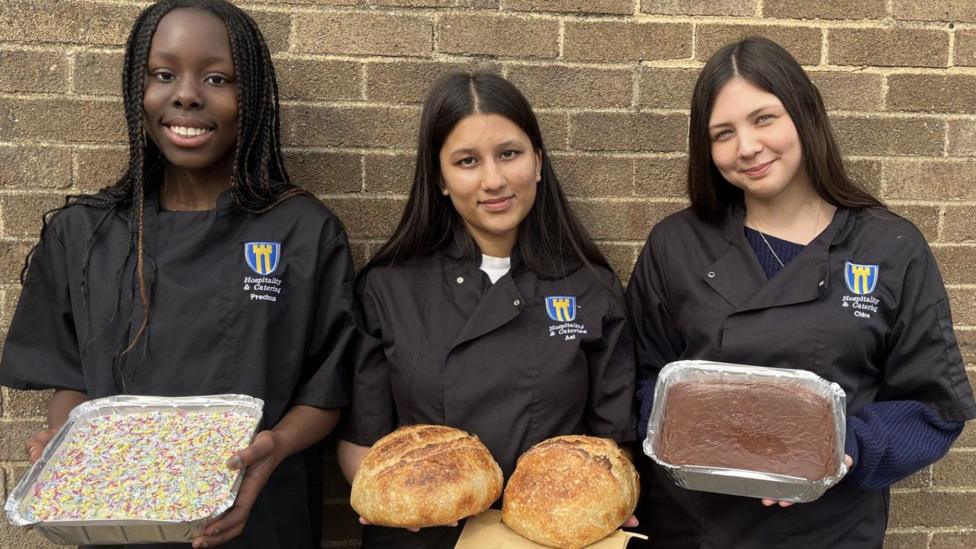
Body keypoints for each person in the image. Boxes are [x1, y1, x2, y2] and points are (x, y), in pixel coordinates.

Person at [0, 1, 357, 548]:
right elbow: (72, 376)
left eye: (217, 78)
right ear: (137, 90)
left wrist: (278, 445)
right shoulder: (85, 234)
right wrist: (65, 442)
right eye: (163, 74)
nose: (187, 94)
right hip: (118, 516)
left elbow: (327, 385)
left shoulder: (302, 231)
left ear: (251, 96)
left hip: (261, 518)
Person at [626, 36, 976, 549]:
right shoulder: (676, 245)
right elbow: (639, 377)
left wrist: (845, 447)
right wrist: (689, 438)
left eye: (764, 119)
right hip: (696, 527)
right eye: (723, 133)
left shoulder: (890, 248)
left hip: (830, 530)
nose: (747, 147)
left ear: (805, 111)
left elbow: (932, 407)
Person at [336, 72, 637, 549]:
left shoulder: (590, 287)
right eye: (467, 161)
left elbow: (613, 445)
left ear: (538, 162)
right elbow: (361, 443)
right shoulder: (388, 288)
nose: (494, 180)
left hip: (548, 539)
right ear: (440, 178)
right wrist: (397, 501)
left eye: (509, 154)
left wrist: (605, 502)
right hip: (425, 539)